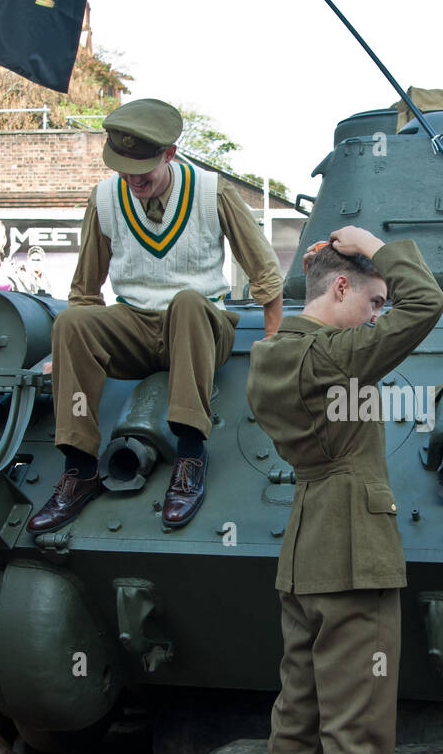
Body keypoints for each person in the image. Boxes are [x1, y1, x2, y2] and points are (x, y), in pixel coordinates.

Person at [247, 226, 443, 754]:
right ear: (339, 285)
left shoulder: (268, 357)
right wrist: (374, 245)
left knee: (297, 718)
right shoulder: (333, 356)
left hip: (306, 552)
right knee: (357, 730)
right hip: (355, 555)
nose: (376, 315)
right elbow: (426, 304)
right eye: (372, 301)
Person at [30, 98, 283, 532]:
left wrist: (274, 338)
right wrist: (70, 354)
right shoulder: (106, 199)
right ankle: (79, 468)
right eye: (122, 171)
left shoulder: (210, 191)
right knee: (70, 323)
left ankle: (190, 455)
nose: (132, 181)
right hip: (134, 328)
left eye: (141, 171)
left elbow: (266, 272)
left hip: (201, 327)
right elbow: (85, 290)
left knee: (186, 302)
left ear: (170, 153)